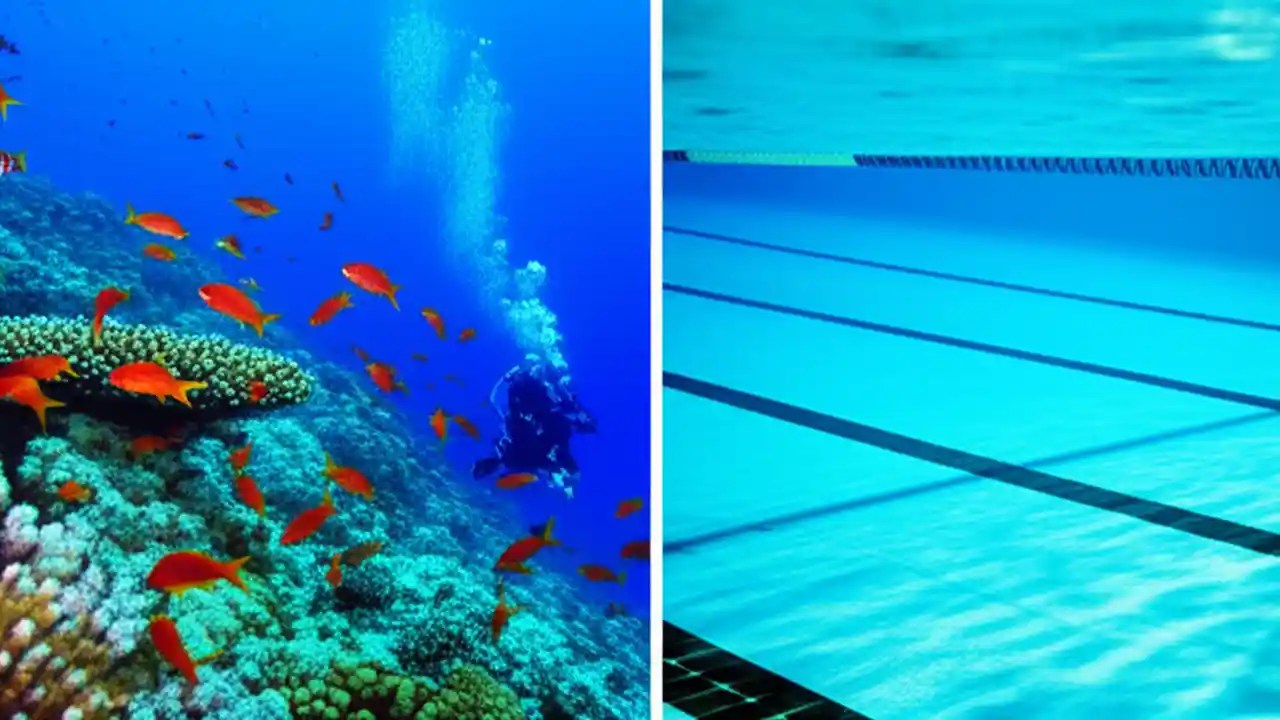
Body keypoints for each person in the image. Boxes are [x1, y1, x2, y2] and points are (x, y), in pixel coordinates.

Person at [472, 355, 596, 497]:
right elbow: (510, 408)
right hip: (522, 431)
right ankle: (499, 463)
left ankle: (504, 464)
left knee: (534, 454)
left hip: (532, 433)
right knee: (524, 455)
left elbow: (574, 424)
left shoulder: (558, 401)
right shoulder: (530, 387)